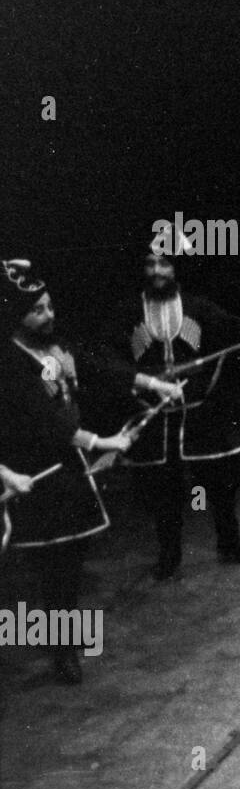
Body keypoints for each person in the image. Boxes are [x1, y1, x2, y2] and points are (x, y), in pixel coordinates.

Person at [0, 259, 154, 683]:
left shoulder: (55, 348)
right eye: (37, 310)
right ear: (17, 316)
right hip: (36, 478)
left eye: (49, 307)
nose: (48, 316)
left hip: (67, 474)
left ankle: (64, 640)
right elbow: (47, 421)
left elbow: (96, 368)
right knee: (51, 569)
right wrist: (103, 443)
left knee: (71, 563)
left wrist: (148, 382)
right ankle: (61, 652)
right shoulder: (11, 363)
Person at [110, 241, 240, 580]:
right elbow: (107, 356)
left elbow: (233, 324)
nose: (157, 271)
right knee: (163, 489)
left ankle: (230, 542)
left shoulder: (196, 307)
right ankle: (169, 554)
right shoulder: (129, 311)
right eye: (150, 264)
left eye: (165, 264)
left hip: (199, 411)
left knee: (220, 481)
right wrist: (138, 380)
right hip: (156, 413)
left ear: (176, 269)